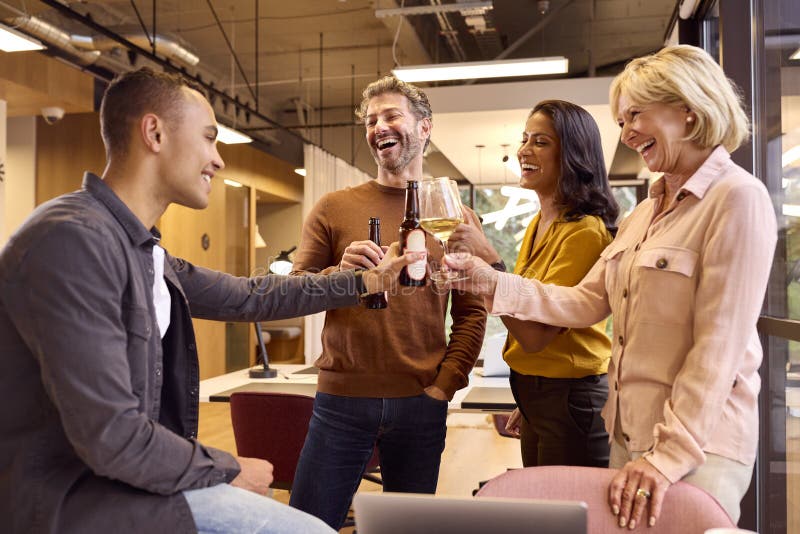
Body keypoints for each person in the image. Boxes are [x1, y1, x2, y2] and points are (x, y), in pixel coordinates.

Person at [0, 68, 419, 534]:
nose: (218, 160)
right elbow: (112, 436)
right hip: (74, 503)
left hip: (124, 485)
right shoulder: (72, 240)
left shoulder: (140, 250)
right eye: (209, 139)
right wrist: (226, 469)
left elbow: (250, 297)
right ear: (154, 133)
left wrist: (363, 282)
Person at [445, 44, 776, 528]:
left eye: (636, 115)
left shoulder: (737, 198)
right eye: (622, 121)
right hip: (629, 438)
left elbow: (718, 350)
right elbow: (583, 301)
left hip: (696, 450)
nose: (626, 133)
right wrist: (487, 280)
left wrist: (665, 458)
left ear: (689, 110)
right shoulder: (646, 212)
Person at [288, 75, 487, 530]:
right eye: (371, 120)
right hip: (340, 402)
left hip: (422, 402)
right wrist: (340, 273)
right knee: (306, 526)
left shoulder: (458, 216)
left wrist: (445, 385)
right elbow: (296, 290)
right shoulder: (332, 207)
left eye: (391, 115)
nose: (379, 126)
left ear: (425, 127)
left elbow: (473, 312)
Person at [448, 100, 618, 469]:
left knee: (563, 518)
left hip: (570, 399)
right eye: (524, 139)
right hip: (538, 394)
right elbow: (527, 309)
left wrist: (490, 266)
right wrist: (529, 403)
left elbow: (537, 337)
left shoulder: (585, 231)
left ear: (572, 154)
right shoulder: (539, 223)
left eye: (540, 141)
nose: (523, 150)